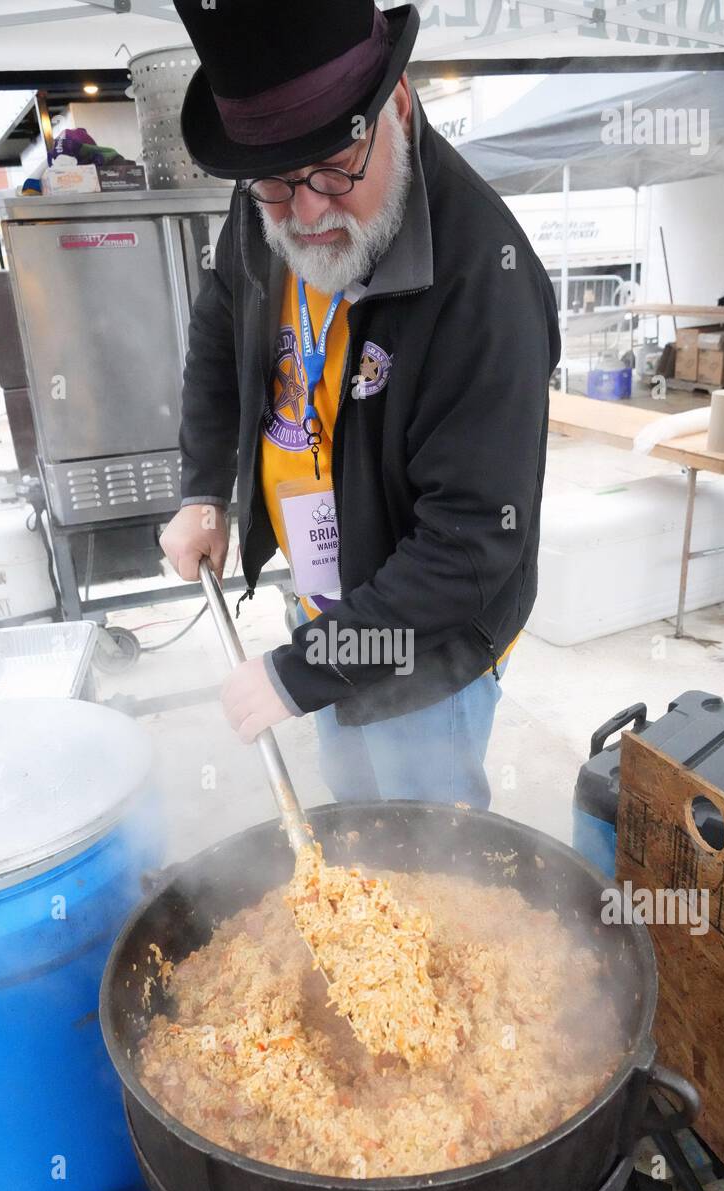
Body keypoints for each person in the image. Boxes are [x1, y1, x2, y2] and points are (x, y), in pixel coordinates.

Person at [161, 0, 560, 810]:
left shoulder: (487, 280)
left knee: (427, 840)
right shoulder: (262, 207)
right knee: (354, 811)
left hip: (430, 641)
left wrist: (303, 670)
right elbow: (219, 337)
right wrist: (204, 489)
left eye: (334, 167)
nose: (307, 212)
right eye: (274, 182)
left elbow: (471, 545)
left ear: (398, 106)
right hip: (327, 601)